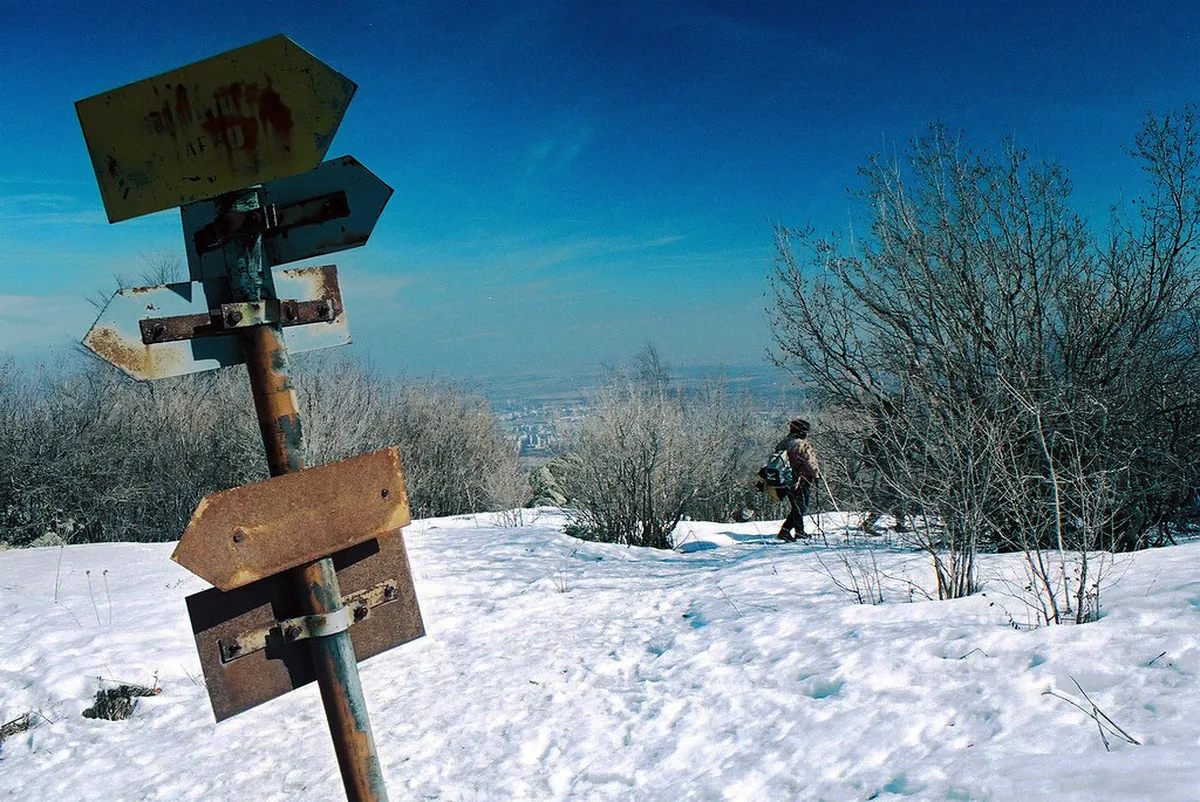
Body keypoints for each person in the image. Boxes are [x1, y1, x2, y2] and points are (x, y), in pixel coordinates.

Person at [772, 417, 820, 542]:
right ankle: (785, 531)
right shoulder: (801, 444)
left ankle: (799, 532)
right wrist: (816, 474)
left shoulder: (783, 443)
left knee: (796, 505)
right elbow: (809, 462)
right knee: (801, 507)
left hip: (785, 479)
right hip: (801, 478)